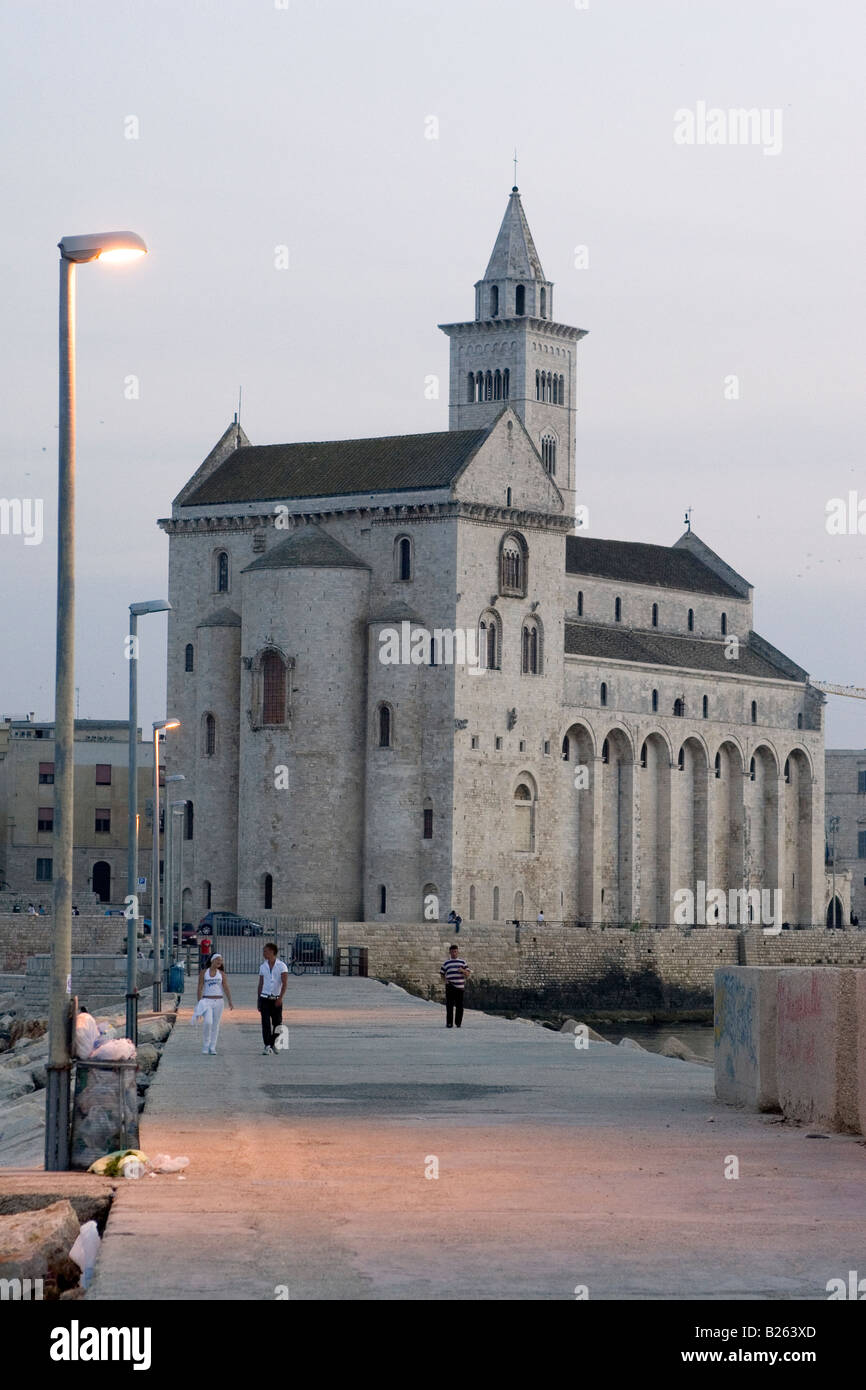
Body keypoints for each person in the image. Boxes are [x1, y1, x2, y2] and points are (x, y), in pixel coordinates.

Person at [196, 952, 233, 1054]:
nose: (220, 962)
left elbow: (226, 987)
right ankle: (205, 1044)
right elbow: (200, 987)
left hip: (219, 1001)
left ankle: (212, 1047)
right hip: (207, 1001)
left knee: (215, 1024)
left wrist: (230, 1001)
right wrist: (199, 1002)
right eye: (218, 960)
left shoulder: (221, 974)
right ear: (212, 960)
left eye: (221, 961)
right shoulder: (204, 972)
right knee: (208, 1022)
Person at [258, 942, 288, 1055]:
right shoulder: (263, 966)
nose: (264, 953)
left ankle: (273, 1043)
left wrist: (280, 998)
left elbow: (284, 983)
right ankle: (267, 1045)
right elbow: (260, 983)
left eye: (265, 951)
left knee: (277, 1023)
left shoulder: (282, 966)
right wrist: (259, 999)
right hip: (265, 998)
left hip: (276, 998)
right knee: (265, 1023)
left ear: (272, 951)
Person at [439, 944, 471, 1029]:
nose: (454, 953)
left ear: (458, 952)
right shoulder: (446, 963)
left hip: (460, 987)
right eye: (452, 951)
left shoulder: (463, 962)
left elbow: (468, 974)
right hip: (450, 986)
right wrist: (444, 980)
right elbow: (442, 973)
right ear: (450, 952)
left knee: (459, 1006)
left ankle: (458, 1023)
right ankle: (449, 1023)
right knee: (449, 1005)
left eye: (455, 951)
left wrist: (462, 970)